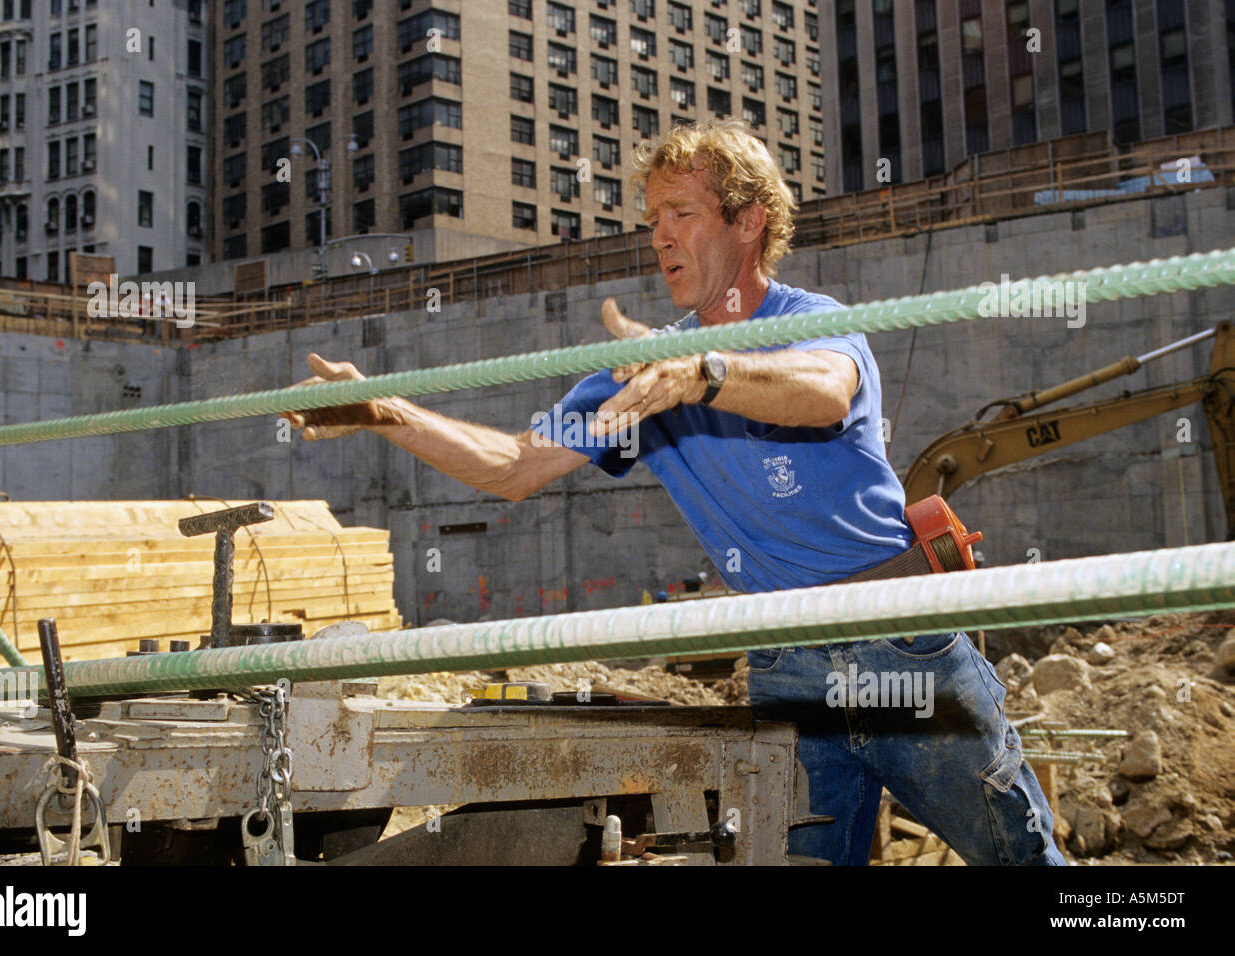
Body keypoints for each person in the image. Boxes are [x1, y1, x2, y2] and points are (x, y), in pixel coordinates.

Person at [284, 119, 1065, 866]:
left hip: (898, 645)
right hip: (786, 665)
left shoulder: (809, 325)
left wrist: (705, 372)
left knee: (1023, 857)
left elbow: (825, 390)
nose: (658, 234)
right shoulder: (647, 375)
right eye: (652, 216)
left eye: (681, 212)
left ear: (749, 222)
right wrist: (386, 412)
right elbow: (515, 466)